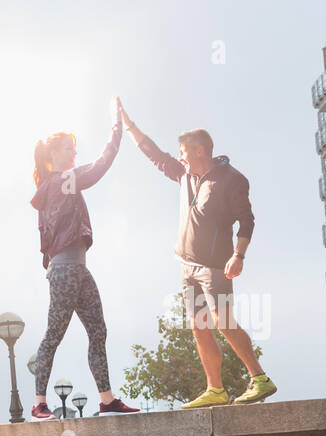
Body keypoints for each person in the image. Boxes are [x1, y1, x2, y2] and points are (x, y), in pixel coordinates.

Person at [119, 104, 275, 407]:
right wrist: (129, 125)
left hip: (216, 265)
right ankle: (215, 389)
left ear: (200, 151)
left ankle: (259, 379)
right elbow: (155, 155)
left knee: (222, 320)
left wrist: (239, 256)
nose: (179, 157)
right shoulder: (185, 176)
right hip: (187, 266)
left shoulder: (231, 180)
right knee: (199, 326)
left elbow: (247, 220)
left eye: (183, 152)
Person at [30, 97, 139, 419]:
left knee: (98, 332)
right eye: (69, 149)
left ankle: (106, 400)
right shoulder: (62, 180)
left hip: (78, 269)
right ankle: (39, 402)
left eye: (75, 150)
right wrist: (116, 128)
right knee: (53, 335)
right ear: (53, 155)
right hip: (65, 271)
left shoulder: (59, 182)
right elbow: (102, 164)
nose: (75, 154)